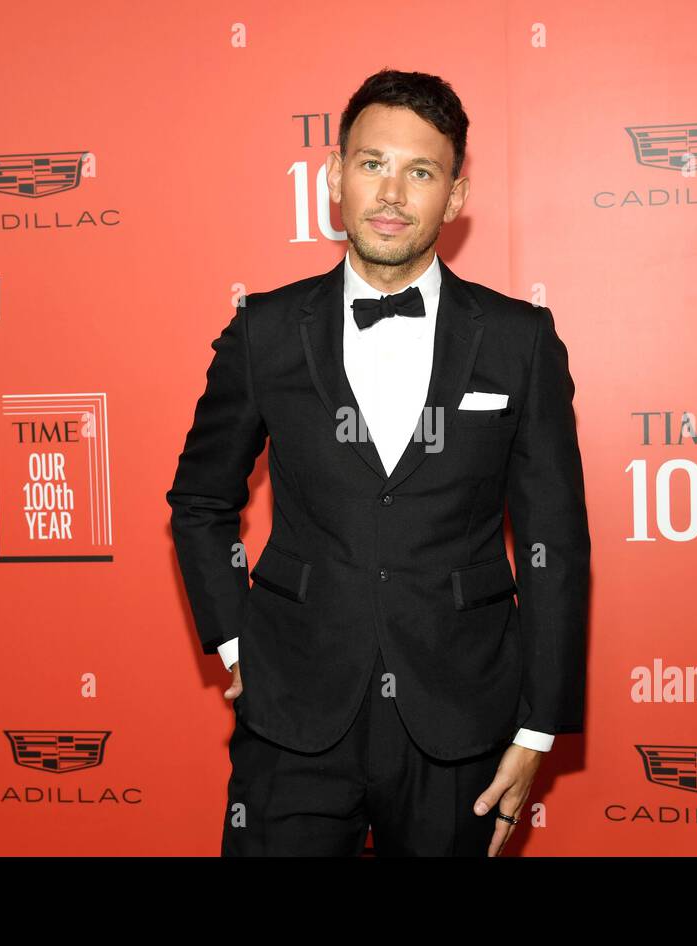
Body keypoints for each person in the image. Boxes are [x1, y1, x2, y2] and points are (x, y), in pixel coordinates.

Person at [166, 69, 590, 856]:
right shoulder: (263, 331)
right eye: (372, 164)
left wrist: (537, 727)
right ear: (334, 178)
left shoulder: (518, 340)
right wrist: (234, 641)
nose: (392, 192)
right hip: (293, 711)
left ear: (456, 197)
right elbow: (199, 499)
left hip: (459, 721)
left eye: (421, 172)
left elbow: (554, 544)